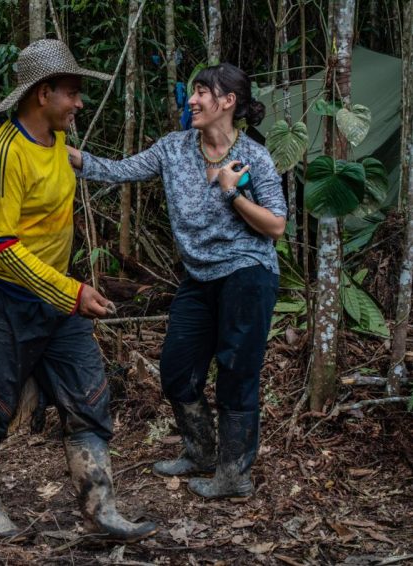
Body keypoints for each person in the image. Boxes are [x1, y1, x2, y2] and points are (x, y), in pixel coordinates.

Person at [0, 38, 157, 542]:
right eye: (72, 93)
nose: (79, 103)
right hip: (6, 299)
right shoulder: (2, 156)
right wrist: (70, 291)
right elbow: (2, 247)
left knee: (88, 393)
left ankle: (101, 508)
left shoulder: (57, 148)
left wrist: (66, 294)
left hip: (58, 300)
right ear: (43, 93)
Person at [67, 63, 285, 499]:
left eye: (203, 92)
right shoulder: (174, 148)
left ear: (227, 102)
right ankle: (201, 452)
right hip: (199, 277)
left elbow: (276, 226)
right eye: (194, 91)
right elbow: (115, 170)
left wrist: (231, 192)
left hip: (247, 274)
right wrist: (60, 151)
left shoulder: (255, 158)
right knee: (177, 371)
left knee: (236, 374)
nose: (193, 99)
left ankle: (233, 475)